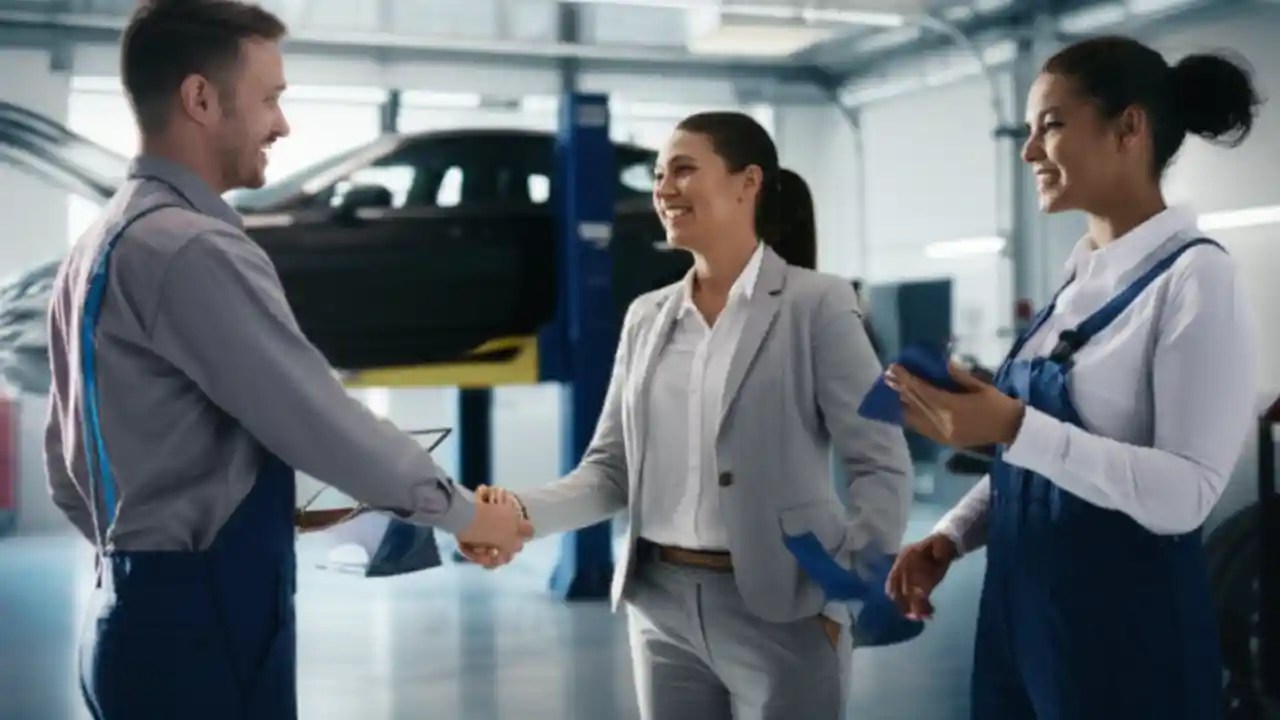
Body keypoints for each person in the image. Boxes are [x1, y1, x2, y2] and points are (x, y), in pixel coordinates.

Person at [42, 2, 529, 719]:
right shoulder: (194, 249)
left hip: (127, 610)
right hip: (204, 631)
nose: (282, 124)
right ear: (200, 98)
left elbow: (65, 468)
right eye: (269, 98)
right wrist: (461, 515)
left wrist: (161, 543)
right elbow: (320, 422)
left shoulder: (98, 244)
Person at [464, 111, 915, 719]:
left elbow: (879, 457)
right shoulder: (647, 317)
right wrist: (520, 513)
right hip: (661, 605)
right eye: (657, 175)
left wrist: (850, 588)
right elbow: (609, 471)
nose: (663, 189)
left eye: (683, 170)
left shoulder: (819, 304)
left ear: (746, 182)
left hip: (785, 605)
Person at [883, 35, 1262, 719]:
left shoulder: (1197, 278)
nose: (1028, 151)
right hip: (1020, 626)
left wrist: (1009, 422)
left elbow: (1185, 496)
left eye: (1051, 125)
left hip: (1128, 643)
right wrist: (950, 537)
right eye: (1028, 130)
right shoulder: (1075, 281)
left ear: (1129, 128)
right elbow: (1036, 472)